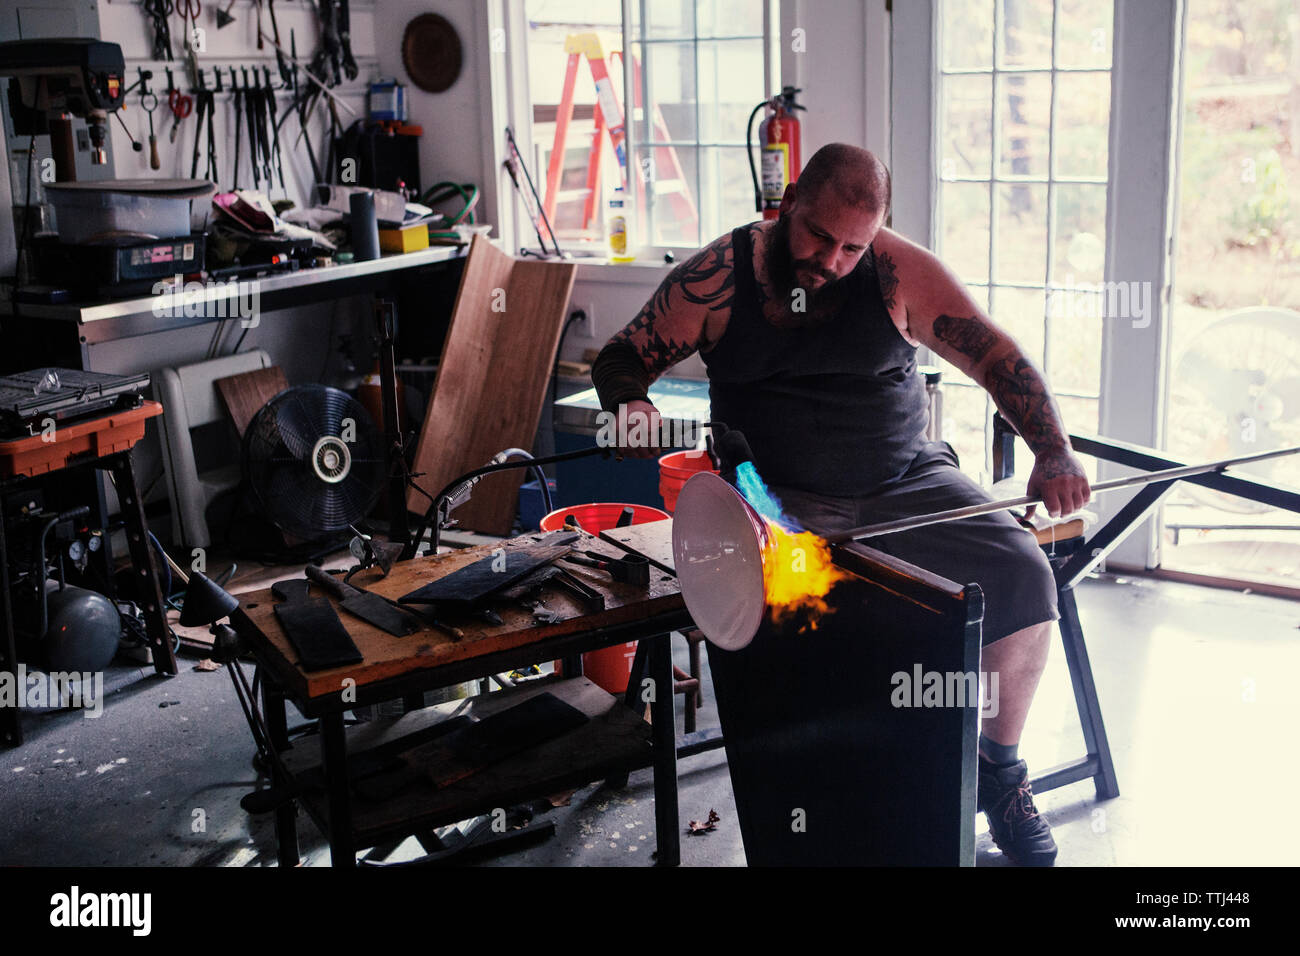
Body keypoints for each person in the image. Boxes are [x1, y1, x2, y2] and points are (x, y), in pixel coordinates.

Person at [590, 142, 1092, 866]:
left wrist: (1053, 450)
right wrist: (630, 404)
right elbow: (621, 356)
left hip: (907, 481)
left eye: (852, 247)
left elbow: (995, 357)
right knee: (808, 621)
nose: (831, 260)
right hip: (776, 495)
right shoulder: (720, 275)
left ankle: (1000, 772)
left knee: (1024, 576)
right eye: (819, 237)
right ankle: (816, 801)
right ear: (790, 200)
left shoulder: (897, 271)